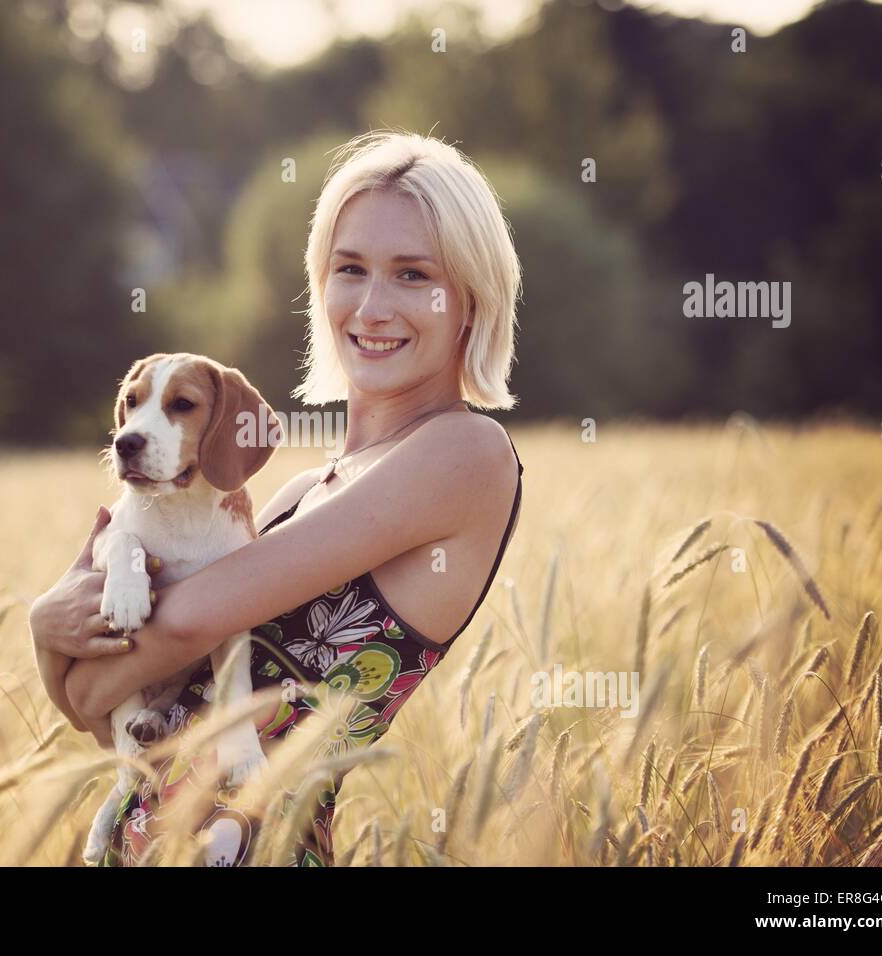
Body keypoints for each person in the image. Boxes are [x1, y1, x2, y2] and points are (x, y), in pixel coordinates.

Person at [30, 129, 525, 866]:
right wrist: (48, 633)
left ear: (472, 297)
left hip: (257, 846)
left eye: (414, 275)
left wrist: (52, 623)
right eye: (350, 268)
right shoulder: (299, 490)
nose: (373, 306)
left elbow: (187, 622)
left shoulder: (465, 452)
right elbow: (96, 714)